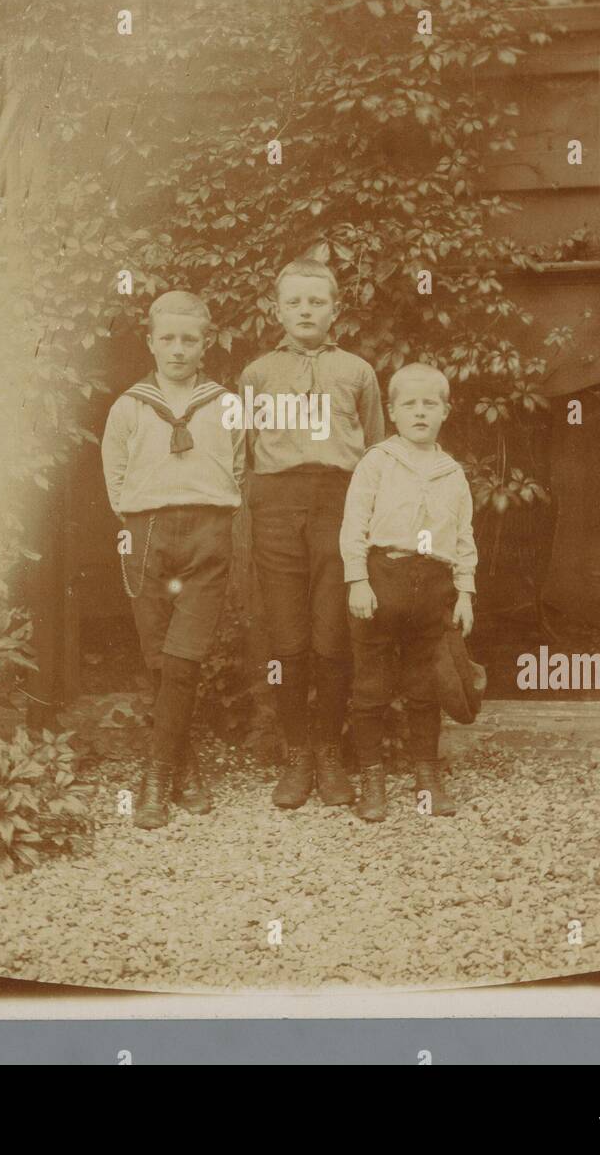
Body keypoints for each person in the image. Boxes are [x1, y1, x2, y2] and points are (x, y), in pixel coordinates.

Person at [239, 259, 385, 809]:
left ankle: (329, 749)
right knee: (287, 636)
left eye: (316, 302)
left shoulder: (358, 371)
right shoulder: (256, 375)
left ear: (335, 309)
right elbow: (244, 449)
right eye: (294, 302)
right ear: (277, 310)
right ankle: (296, 751)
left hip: (338, 504)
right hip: (276, 504)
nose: (305, 311)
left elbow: (373, 448)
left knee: (333, 632)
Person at [101, 291, 244, 829]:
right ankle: (184, 763)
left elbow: (240, 467)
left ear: (207, 343)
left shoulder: (225, 404)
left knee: (186, 655)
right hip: (148, 533)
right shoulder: (130, 406)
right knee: (158, 653)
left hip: (208, 531)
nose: (178, 349)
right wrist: (139, 520)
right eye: (168, 339)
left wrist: (212, 515)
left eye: (189, 339)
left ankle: (157, 776)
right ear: (151, 343)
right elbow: (115, 475)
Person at [340, 362, 477, 822]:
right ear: (392, 412)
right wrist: (358, 579)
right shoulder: (378, 462)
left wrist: (464, 592)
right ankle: (373, 780)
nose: (420, 412)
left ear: (445, 412)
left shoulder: (451, 472)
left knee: (425, 686)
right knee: (371, 686)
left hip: (433, 586)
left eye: (430, 404)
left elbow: (463, 536)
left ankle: (426, 779)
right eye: (409, 404)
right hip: (383, 580)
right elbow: (354, 525)